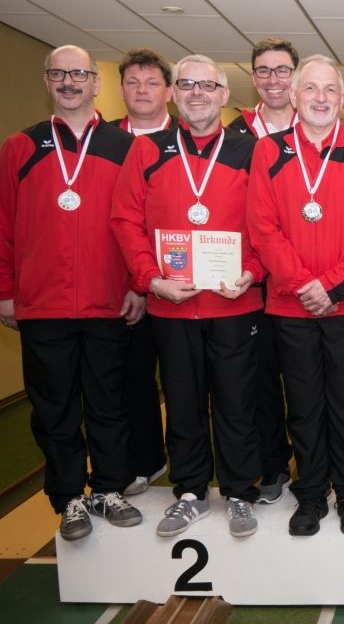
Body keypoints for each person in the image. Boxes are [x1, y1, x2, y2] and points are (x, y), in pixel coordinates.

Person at [111, 54, 263, 539]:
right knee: (181, 403)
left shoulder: (251, 150)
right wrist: (151, 279)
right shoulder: (148, 150)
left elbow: (268, 222)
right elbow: (125, 220)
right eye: (187, 84)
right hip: (171, 305)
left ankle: (239, 491)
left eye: (208, 85)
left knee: (237, 402)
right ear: (174, 94)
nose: (197, 93)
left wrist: (252, 271)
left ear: (225, 95)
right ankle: (191, 492)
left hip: (234, 302)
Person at [0, 44, 142, 541]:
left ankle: (109, 488)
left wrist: (138, 285)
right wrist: (5, 289)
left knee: (109, 403)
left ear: (95, 83)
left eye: (78, 73)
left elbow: (138, 224)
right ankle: (69, 499)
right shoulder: (20, 146)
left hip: (108, 301)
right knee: (53, 408)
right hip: (43, 305)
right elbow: (4, 225)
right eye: (58, 73)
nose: (68, 81)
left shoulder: (125, 146)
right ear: (47, 81)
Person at [248, 54, 344, 536]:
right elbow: (262, 227)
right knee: (304, 406)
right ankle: (310, 494)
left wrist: (331, 286)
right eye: (310, 88)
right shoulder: (269, 151)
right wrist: (302, 284)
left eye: (331, 89)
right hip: (291, 305)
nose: (321, 98)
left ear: (343, 97)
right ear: (293, 96)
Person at [226, 37, 299, 505]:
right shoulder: (234, 135)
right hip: (253, 280)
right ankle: (273, 464)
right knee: (262, 381)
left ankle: (317, 468)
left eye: (282, 70)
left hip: (306, 276)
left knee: (308, 382)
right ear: (253, 78)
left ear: (295, 76)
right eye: (264, 71)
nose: (274, 79)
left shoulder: (320, 125)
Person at [111, 47, 174, 497]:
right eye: (132, 83)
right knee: (133, 378)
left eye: (152, 83)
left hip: (186, 287)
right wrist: (139, 281)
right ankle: (146, 461)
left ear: (168, 91)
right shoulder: (107, 143)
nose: (142, 91)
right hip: (127, 285)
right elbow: (119, 219)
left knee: (186, 382)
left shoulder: (192, 136)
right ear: (119, 90)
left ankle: (198, 467)